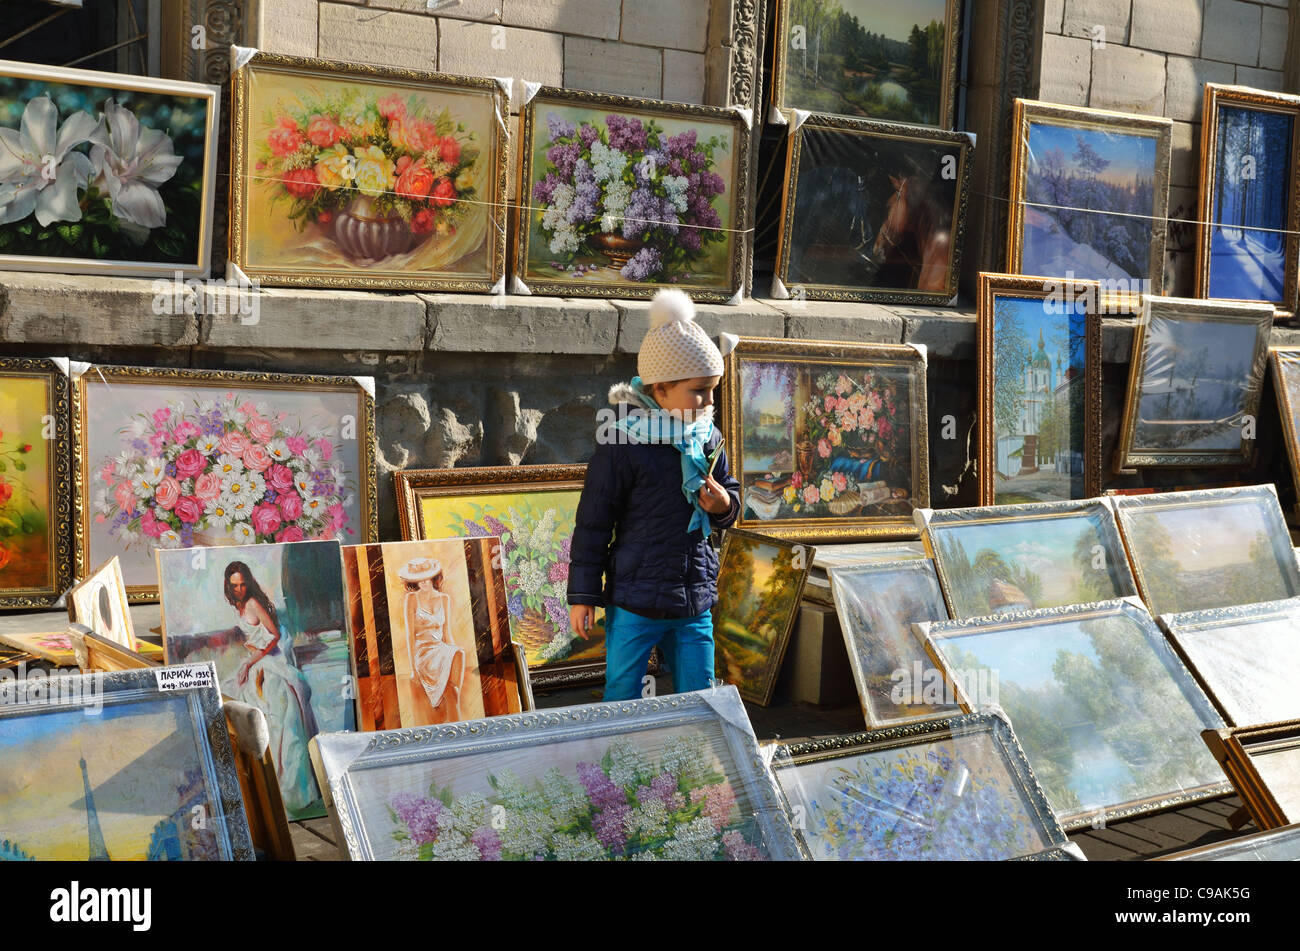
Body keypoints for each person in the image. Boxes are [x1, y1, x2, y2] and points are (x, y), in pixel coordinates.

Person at [567, 288, 742, 701]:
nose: (708, 401)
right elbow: (593, 524)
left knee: (701, 698)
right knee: (622, 695)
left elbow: (731, 496)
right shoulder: (622, 443)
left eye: (713, 390)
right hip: (634, 601)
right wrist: (583, 596)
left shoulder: (707, 437)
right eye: (699, 390)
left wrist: (723, 505)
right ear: (659, 389)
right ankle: (616, 762)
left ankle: (693, 762)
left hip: (694, 600)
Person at [223, 560, 320, 815]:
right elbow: (256, 637)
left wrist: (253, 660)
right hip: (258, 660)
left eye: (243, 584)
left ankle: (291, 788)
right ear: (229, 586)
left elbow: (275, 635)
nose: (240, 589)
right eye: (235, 586)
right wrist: (250, 651)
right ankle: (263, 781)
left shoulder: (253, 603)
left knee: (281, 721)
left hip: (271, 663)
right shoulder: (239, 605)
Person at [398, 556, 465, 723]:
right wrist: (413, 668)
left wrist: (451, 650)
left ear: (433, 577)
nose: (424, 583)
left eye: (426, 578)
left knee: (460, 653)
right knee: (454, 658)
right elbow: (409, 635)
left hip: (440, 648)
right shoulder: (411, 599)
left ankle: (454, 691)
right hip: (423, 653)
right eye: (419, 580)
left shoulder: (444, 599)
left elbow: (447, 631)